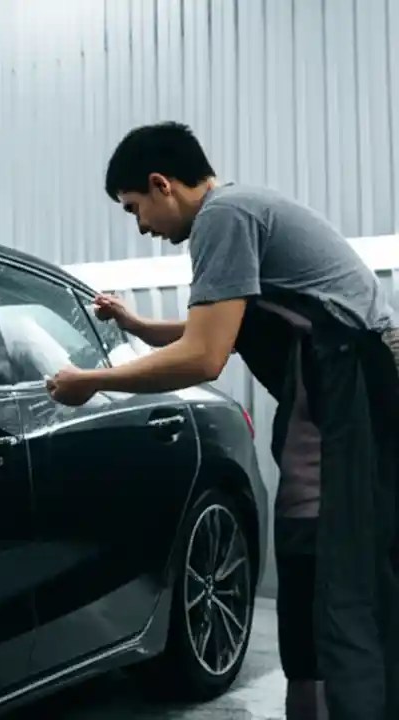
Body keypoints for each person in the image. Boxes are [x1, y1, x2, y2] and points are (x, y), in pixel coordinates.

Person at [45, 121, 399, 720]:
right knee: (316, 564)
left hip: (349, 398)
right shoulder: (243, 209)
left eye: (136, 209)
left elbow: (205, 357)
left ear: (163, 184)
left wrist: (91, 383)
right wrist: (133, 326)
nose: (142, 227)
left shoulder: (222, 219)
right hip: (338, 393)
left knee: (338, 581)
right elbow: (213, 330)